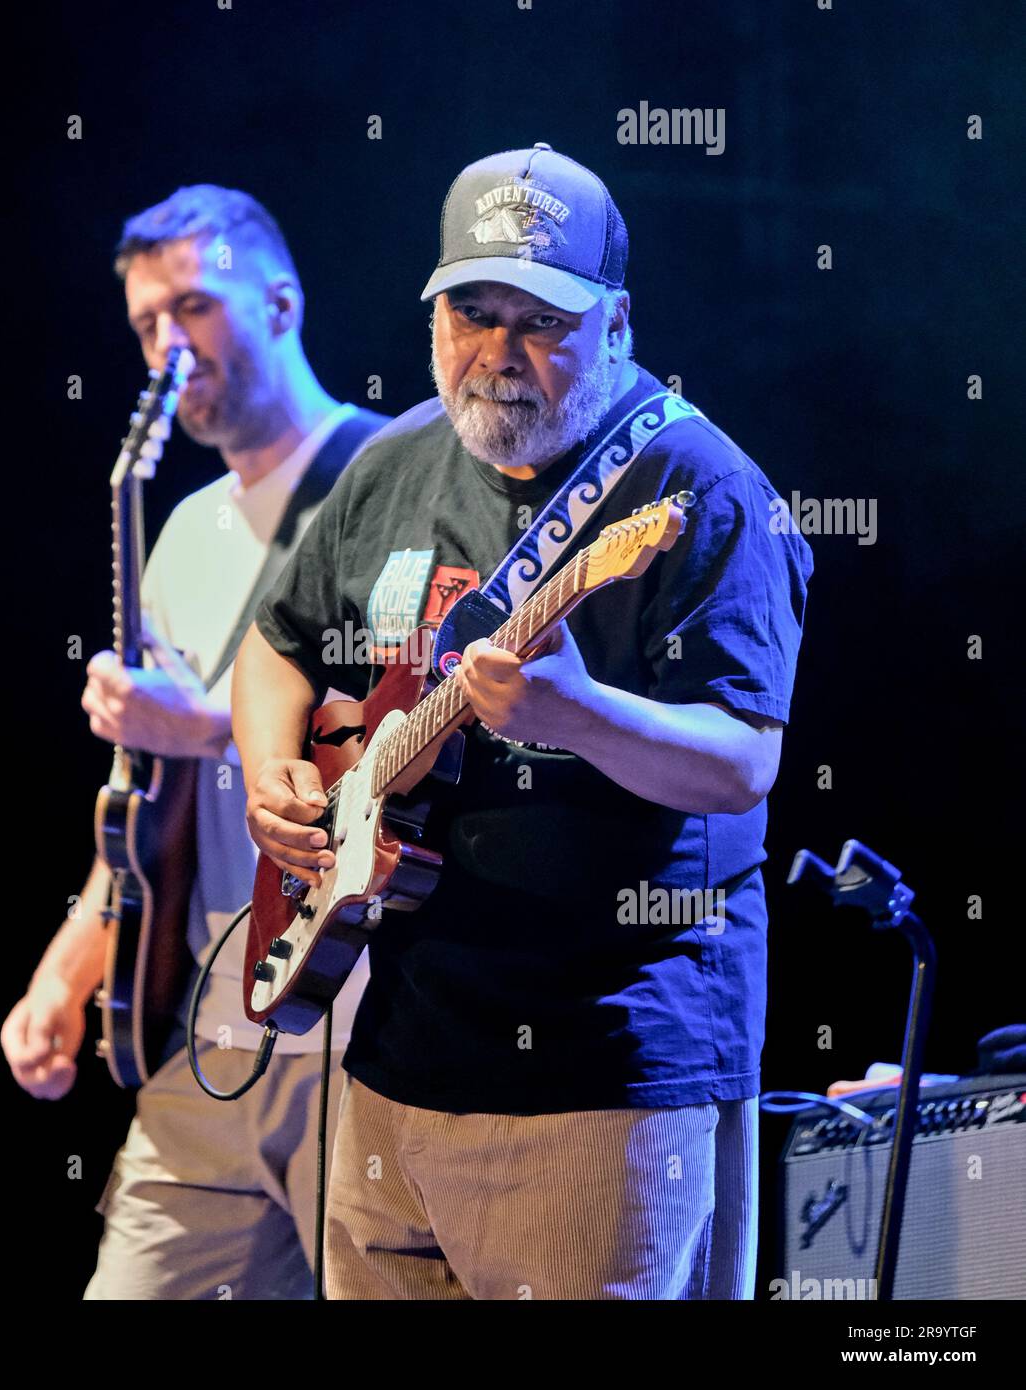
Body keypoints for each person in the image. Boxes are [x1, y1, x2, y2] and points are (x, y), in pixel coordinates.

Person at [231, 145, 814, 1299]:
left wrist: (582, 716)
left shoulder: (698, 489)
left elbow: (744, 761)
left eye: (539, 320)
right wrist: (272, 781)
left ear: (617, 324)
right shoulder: (391, 461)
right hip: (394, 1059)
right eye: (469, 312)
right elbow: (272, 643)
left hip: (606, 1078)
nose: (497, 355)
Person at [0, 184, 386, 1299]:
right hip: (206, 1038)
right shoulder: (178, 532)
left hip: (354, 1025)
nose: (167, 345)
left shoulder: (383, 483)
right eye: (143, 326)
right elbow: (143, 806)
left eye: (192, 308)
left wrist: (209, 721)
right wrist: (67, 972)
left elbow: (389, 737)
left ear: (278, 302)